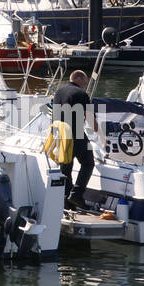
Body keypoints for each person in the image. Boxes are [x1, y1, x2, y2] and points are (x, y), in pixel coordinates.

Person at [52, 69, 94, 211]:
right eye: (85, 82)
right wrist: (99, 131)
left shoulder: (59, 92)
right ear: (79, 79)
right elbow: (89, 117)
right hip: (75, 133)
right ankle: (76, 194)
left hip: (60, 134)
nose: (85, 85)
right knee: (88, 163)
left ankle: (67, 202)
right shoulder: (81, 94)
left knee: (66, 169)